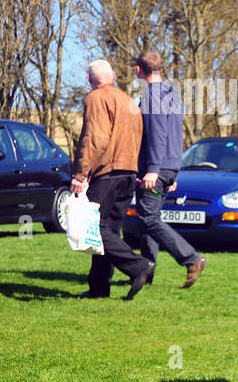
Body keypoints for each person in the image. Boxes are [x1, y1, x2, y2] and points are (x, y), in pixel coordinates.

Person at [71, 59, 154, 299]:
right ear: (114, 76)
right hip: (129, 172)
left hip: (107, 172)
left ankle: (138, 266)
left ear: (89, 79)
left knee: (95, 228)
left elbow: (95, 139)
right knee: (110, 229)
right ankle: (99, 288)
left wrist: (80, 174)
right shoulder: (129, 101)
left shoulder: (95, 99)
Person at [134, 52, 206, 287]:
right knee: (149, 219)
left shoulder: (153, 96)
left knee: (147, 219)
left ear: (138, 71)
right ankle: (145, 271)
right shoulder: (173, 95)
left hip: (156, 167)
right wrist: (173, 170)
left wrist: (154, 169)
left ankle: (191, 258)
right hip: (169, 166)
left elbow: (157, 135)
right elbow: (175, 134)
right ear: (161, 70)